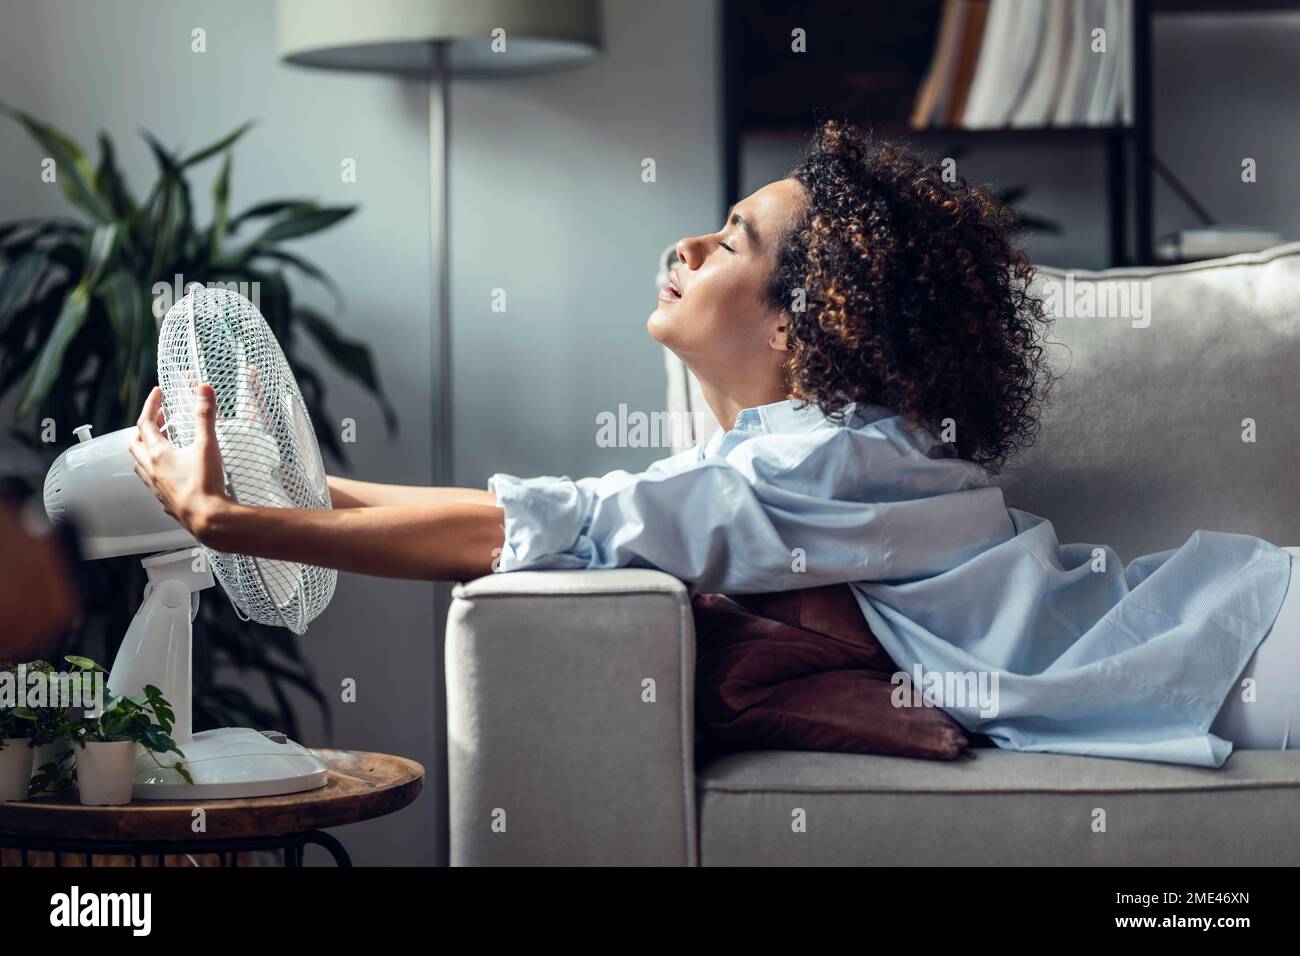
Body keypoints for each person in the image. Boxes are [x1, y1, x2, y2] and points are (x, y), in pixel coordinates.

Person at [128, 120, 1294, 768]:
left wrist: (234, 518)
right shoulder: (823, 453)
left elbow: (531, 528)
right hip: (1234, 629)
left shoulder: (816, 467)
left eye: (729, 240)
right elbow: (547, 512)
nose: (687, 242)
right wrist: (292, 476)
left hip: (1246, 647)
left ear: (801, 320)